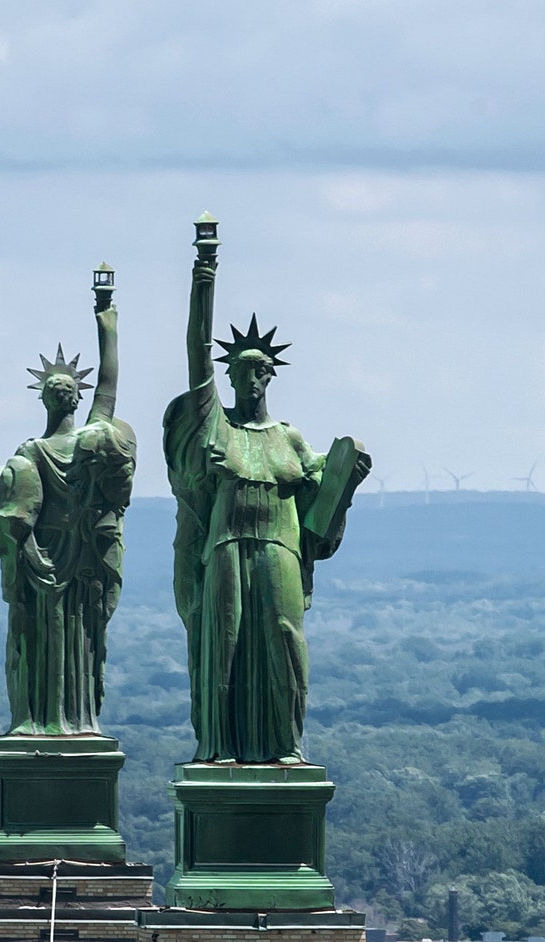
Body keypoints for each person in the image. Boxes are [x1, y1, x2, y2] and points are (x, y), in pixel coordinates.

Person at [163, 219, 368, 763]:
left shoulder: (290, 440)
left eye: (259, 372)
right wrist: (204, 273)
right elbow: (196, 351)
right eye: (240, 371)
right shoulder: (217, 429)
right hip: (227, 548)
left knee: (284, 639)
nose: (249, 379)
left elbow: (323, 503)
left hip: (279, 550)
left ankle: (285, 744)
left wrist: (348, 480)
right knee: (224, 642)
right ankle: (221, 744)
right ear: (229, 376)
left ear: (272, 378)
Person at [0, 275, 134, 736]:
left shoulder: (31, 454)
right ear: (75, 397)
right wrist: (106, 319)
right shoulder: (92, 441)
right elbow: (109, 385)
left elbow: (8, 530)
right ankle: (74, 721)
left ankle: (41, 720)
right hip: (82, 562)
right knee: (79, 645)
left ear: (49, 398)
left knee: (40, 645)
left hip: (42, 564)